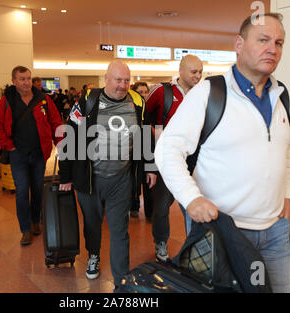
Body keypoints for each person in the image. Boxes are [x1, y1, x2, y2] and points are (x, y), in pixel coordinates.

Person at [154, 13, 290, 293]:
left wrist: (288, 193)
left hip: (276, 231)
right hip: (226, 232)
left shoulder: (281, 95)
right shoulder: (210, 93)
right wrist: (191, 198)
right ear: (239, 45)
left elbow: (284, 152)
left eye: (278, 42)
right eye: (263, 40)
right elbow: (167, 148)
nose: (272, 49)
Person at [58, 60, 157, 291]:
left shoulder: (137, 101)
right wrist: (65, 176)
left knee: (120, 231)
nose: (122, 86)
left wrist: (150, 167)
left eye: (126, 80)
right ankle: (93, 254)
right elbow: (69, 137)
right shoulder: (88, 101)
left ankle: (121, 281)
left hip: (121, 180)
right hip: (89, 179)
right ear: (106, 78)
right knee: (92, 225)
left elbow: (144, 136)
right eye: (117, 80)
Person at [0, 66, 63, 246]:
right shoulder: (7, 101)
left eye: (28, 78)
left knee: (38, 189)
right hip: (18, 155)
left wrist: (60, 141)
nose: (26, 82)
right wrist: (9, 146)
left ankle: (36, 221)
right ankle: (25, 229)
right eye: (22, 79)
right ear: (14, 81)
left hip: (39, 153)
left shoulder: (44, 100)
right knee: (22, 191)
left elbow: (55, 122)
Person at [145, 54, 203, 262]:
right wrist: (149, 161)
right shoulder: (161, 92)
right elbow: (143, 119)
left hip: (193, 160)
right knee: (161, 208)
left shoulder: (202, 93)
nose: (198, 76)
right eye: (194, 72)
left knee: (192, 206)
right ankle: (160, 242)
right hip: (167, 159)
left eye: (200, 72)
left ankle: (193, 246)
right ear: (181, 71)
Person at [130, 82, 153, 220]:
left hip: (147, 147)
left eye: (146, 92)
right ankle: (134, 205)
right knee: (134, 177)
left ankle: (147, 209)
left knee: (145, 177)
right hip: (133, 148)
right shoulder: (132, 107)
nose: (144, 94)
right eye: (140, 92)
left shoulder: (149, 107)